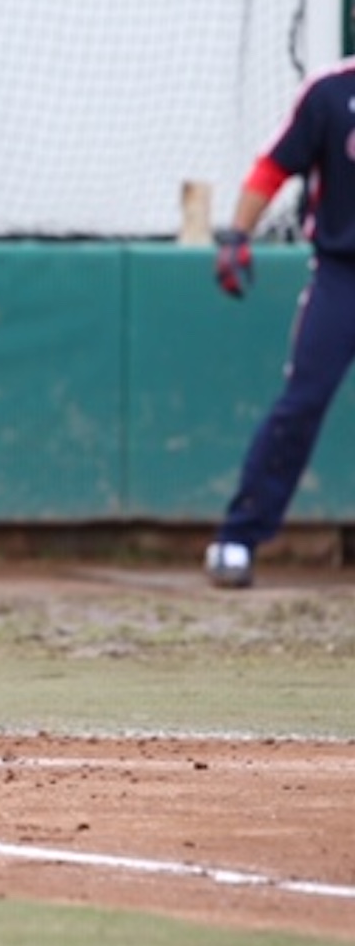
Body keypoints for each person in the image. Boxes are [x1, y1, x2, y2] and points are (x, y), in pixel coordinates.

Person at [204, 53, 355, 588]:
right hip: (343, 275)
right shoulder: (331, 93)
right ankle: (238, 538)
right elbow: (274, 166)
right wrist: (238, 235)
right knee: (302, 403)